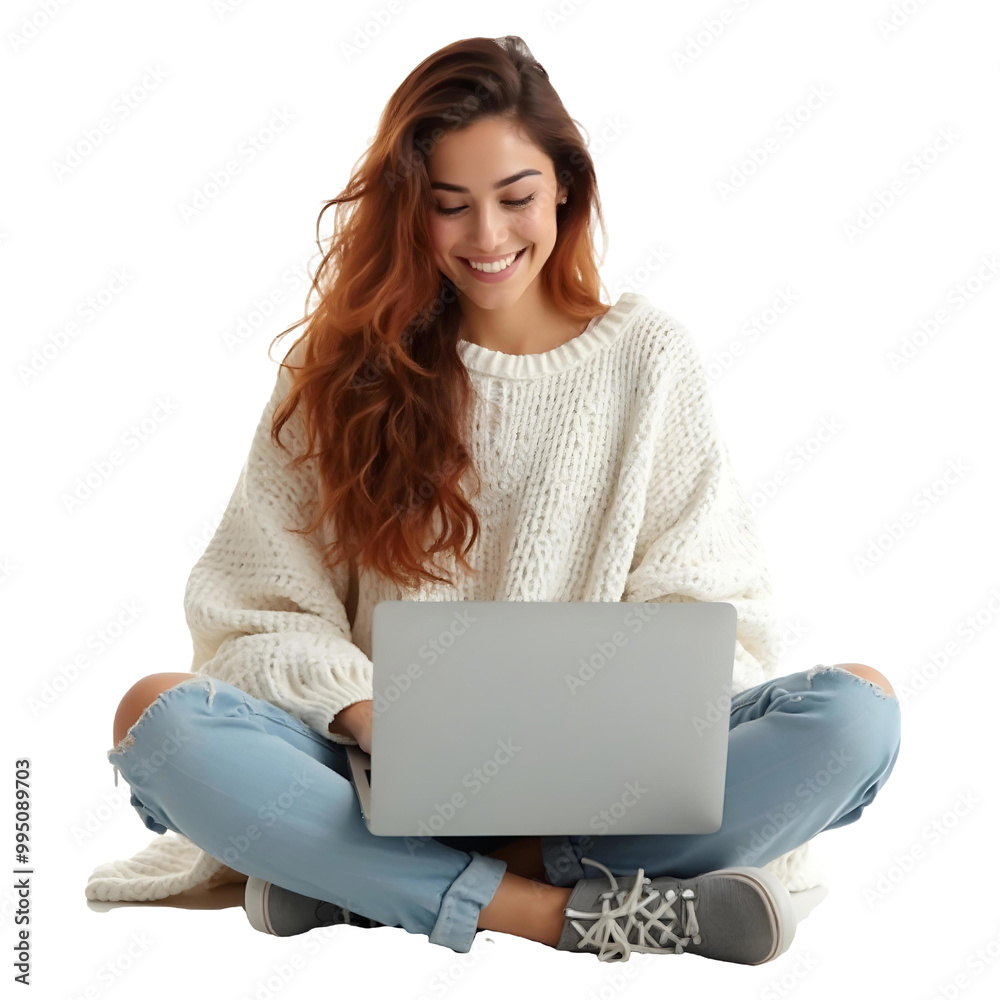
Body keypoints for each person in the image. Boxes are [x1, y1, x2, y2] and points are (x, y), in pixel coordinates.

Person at [99, 36, 901, 965]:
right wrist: (373, 719)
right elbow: (257, 610)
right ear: (411, 212)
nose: (487, 238)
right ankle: (556, 912)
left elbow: (706, 603)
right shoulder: (337, 370)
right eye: (450, 206)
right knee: (155, 713)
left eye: (516, 198)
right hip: (370, 778)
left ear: (565, 185)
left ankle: (359, 886)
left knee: (858, 715)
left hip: (601, 796)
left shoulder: (648, 359)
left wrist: (576, 744)